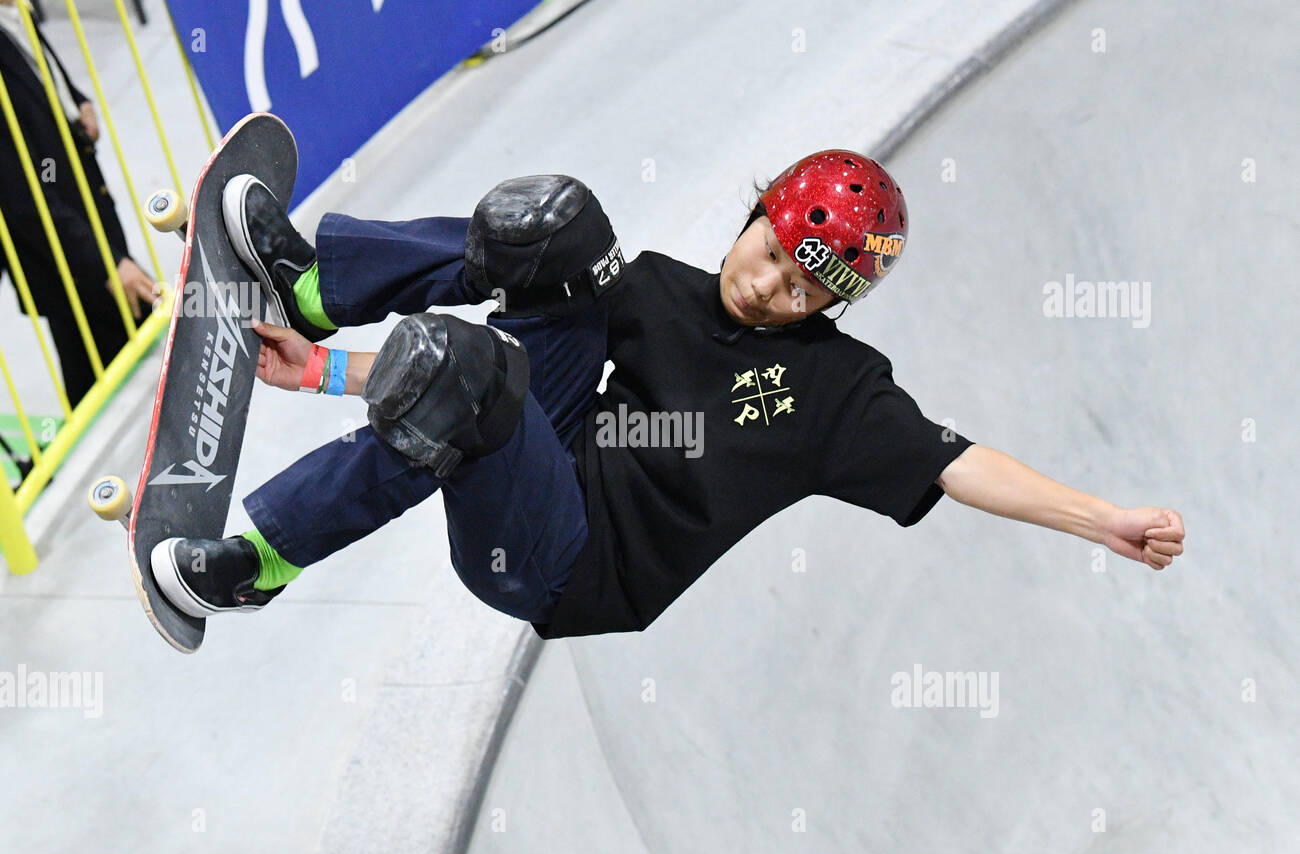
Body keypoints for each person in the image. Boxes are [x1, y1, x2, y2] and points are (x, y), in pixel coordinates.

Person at [149, 150, 1185, 641]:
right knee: (557, 226)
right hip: (542, 453)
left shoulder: (836, 393)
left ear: (832, 301)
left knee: (474, 370)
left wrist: (1104, 520)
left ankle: (261, 564)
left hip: (563, 565)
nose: (768, 283)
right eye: (772, 249)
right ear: (756, 215)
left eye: (801, 285)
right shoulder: (646, 290)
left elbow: (961, 464)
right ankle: (319, 290)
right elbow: (499, 353)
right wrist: (321, 365)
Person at [0, 0, 157, 407]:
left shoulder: (16, 12)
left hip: (85, 214)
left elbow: (40, 72)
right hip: (61, 250)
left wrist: (77, 100)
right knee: (105, 379)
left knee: (103, 367)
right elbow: (21, 198)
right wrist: (106, 262)